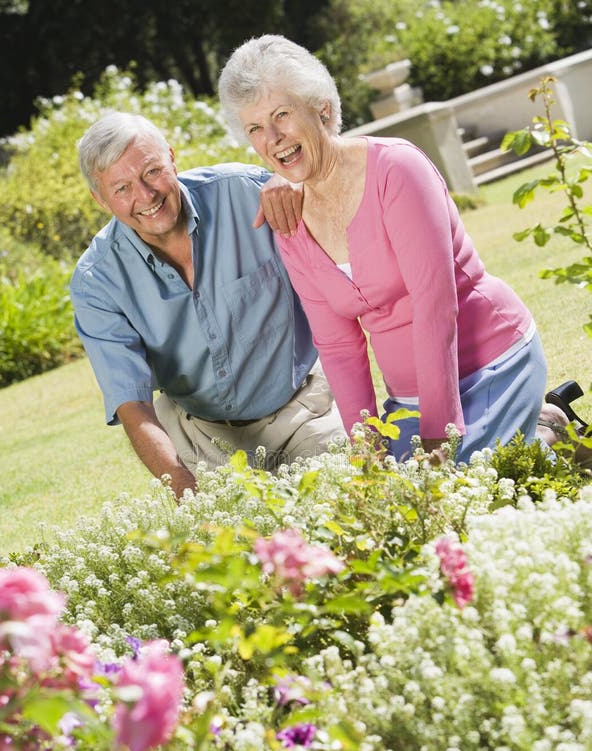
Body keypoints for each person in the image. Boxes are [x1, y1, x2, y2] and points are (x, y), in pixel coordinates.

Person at [218, 35, 550, 465]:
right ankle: (538, 434)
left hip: (492, 364)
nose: (274, 138)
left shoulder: (396, 169)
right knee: (393, 498)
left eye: (282, 114)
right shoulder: (289, 221)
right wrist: (368, 449)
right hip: (410, 400)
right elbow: (338, 346)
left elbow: (435, 306)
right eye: (255, 129)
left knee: (463, 484)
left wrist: (438, 438)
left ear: (321, 108)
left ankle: (549, 428)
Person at [70, 111, 345, 498]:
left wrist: (298, 183)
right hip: (200, 437)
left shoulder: (247, 194)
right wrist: (187, 492)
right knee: (233, 536)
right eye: (122, 188)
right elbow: (132, 404)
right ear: (100, 199)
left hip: (301, 410)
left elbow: (337, 214)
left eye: (152, 172)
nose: (145, 197)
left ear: (171, 158)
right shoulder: (96, 282)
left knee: (338, 507)